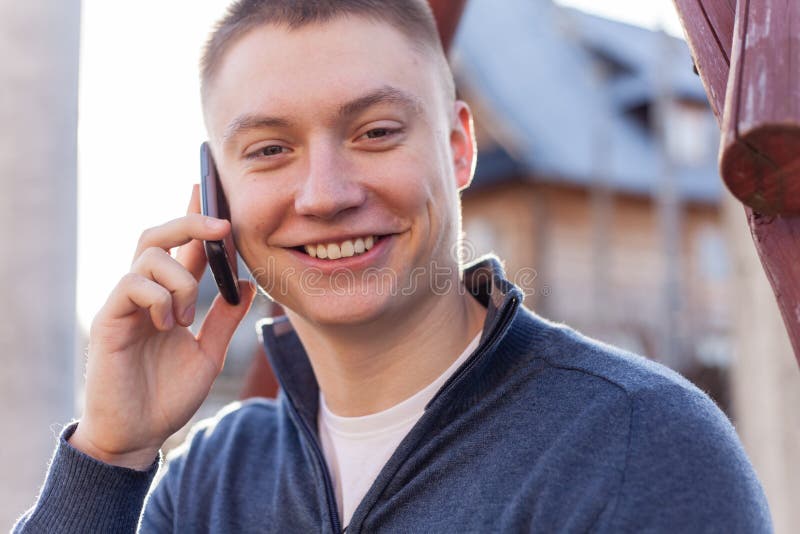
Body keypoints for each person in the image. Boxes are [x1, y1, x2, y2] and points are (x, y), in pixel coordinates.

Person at [15, 1, 772, 532]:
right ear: (216, 197)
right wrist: (108, 456)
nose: (326, 194)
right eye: (270, 150)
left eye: (375, 132)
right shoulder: (209, 481)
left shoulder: (639, 443)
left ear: (459, 148)